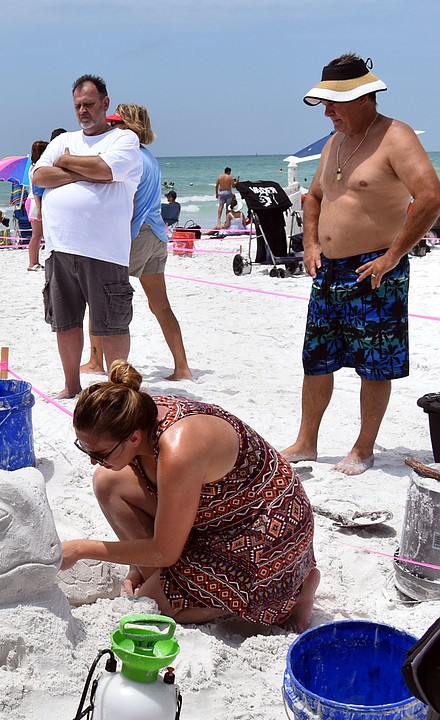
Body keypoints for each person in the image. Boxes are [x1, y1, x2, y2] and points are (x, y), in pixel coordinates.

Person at [60, 360, 320, 631]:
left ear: (134, 438)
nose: (93, 460)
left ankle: (292, 593)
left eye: (99, 453)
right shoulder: (136, 412)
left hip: (266, 529)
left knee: (155, 604)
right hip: (218, 514)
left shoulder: (177, 448)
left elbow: (164, 551)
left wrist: (81, 549)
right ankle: (163, 577)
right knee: (108, 482)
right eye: (85, 450)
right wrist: (137, 566)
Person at [282, 54, 440, 475]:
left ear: (364, 98)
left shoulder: (396, 136)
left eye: (335, 102)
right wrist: (311, 243)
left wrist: (393, 256)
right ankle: (306, 441)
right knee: (316, 358)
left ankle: (363, 448)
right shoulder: (335, 141)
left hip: (376, 269)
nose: (327, 111)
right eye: (324, 103)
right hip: (329, 269)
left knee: (375, 363)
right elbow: (313, 196)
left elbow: (429, 196)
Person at [31, 74, 142, 399]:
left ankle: (117, 391)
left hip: (105, 251)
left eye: (89, 104)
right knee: (64, 321)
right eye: (78, 105)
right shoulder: (63, 138)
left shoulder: (124, 140)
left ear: (105, 104)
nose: (83, 110)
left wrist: (64, 162)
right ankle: (71, 384)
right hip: (59, 247)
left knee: (111, 323)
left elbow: (108, 170)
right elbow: (38, 175)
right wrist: (87, 169)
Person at [85, 105, 192, 381]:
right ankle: (182, 367)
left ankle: (97, 361)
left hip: (136, 235)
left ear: (125, 126)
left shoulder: (129, 156)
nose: (109, 128)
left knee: (101, 296)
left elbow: (128, 203)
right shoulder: (149, 157)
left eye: (115, 124)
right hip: (156, 234)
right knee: (161, 306)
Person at [27, 140, 49, 271]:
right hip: (35, 201)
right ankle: (32, 262)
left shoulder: (33, 166)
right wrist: (39, 207)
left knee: (38, 234)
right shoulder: (36, 168)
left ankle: (34, 261)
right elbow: (36, 188)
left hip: (34, 201)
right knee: (37, 234)